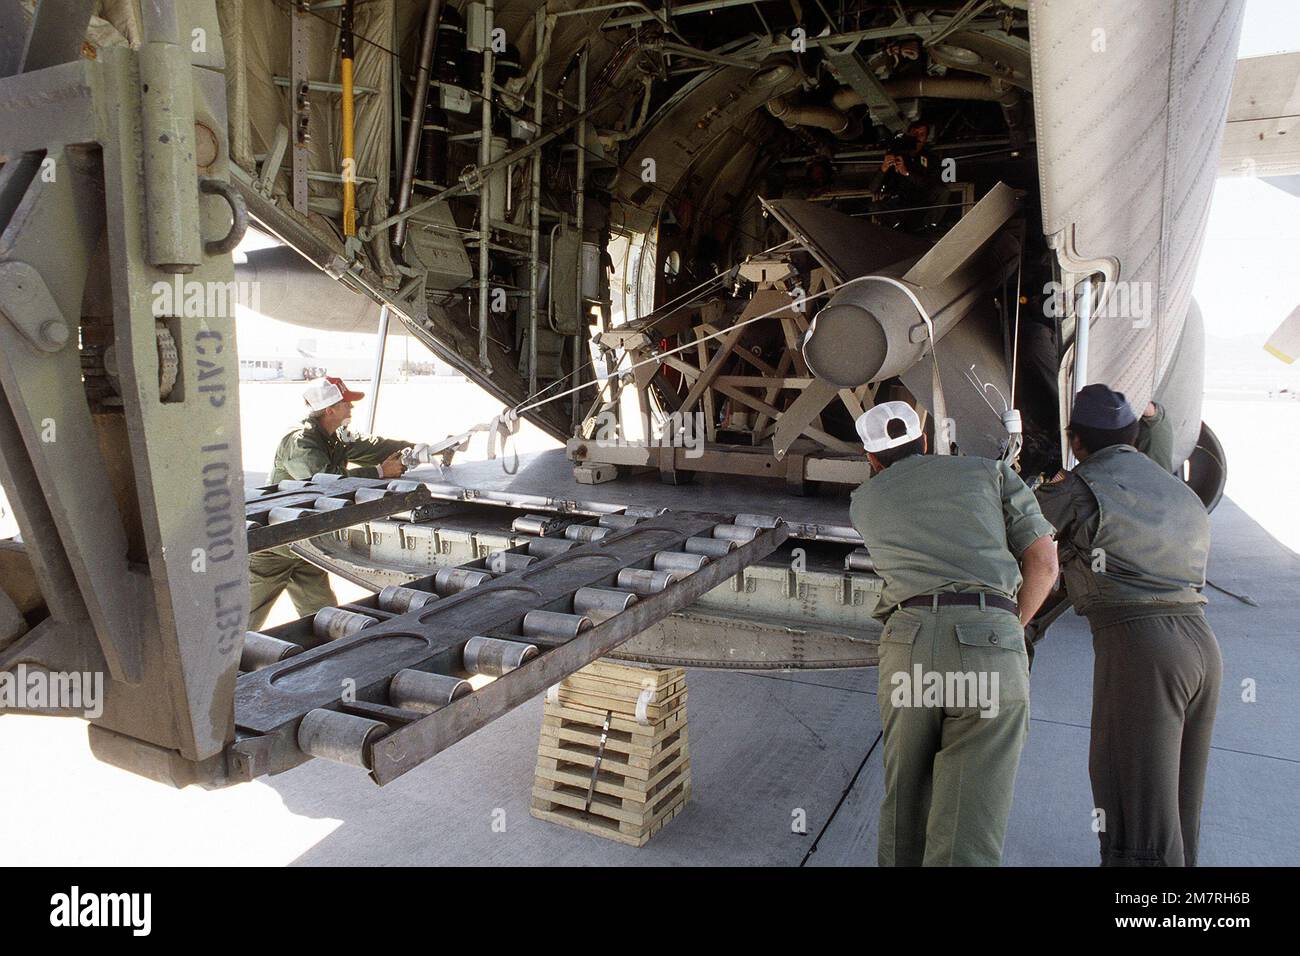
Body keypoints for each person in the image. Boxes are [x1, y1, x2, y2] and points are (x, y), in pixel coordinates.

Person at [849, 401, 1059, 866]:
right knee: (969, 816)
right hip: (989, 642)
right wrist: (1008, 628)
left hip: (909, 646)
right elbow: (1045, 564)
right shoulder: (989, 473)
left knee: (906, 797)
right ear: (925, 440)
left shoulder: (864, 501)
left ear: (871, 459)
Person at [1036, 383, 1220, 867]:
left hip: (1144, 652)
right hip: (1202, 647)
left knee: (1134, 805)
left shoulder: (1077, 490)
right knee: (1176, 806)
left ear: (1076, 440)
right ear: (1133, 436)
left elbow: (1022, 539)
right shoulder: (1172, 487)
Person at [247, 376, 413, 630]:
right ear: (330, 410)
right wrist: (380, 472)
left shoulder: (332, 437)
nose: (351, 407)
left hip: (304, 540)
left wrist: (417, 448)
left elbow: (372, 447)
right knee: (241, 625)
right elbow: (326, 481)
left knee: (324, 616)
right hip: (274, 546)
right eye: (346, 403)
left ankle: (328, 653)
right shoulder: (301, 442)